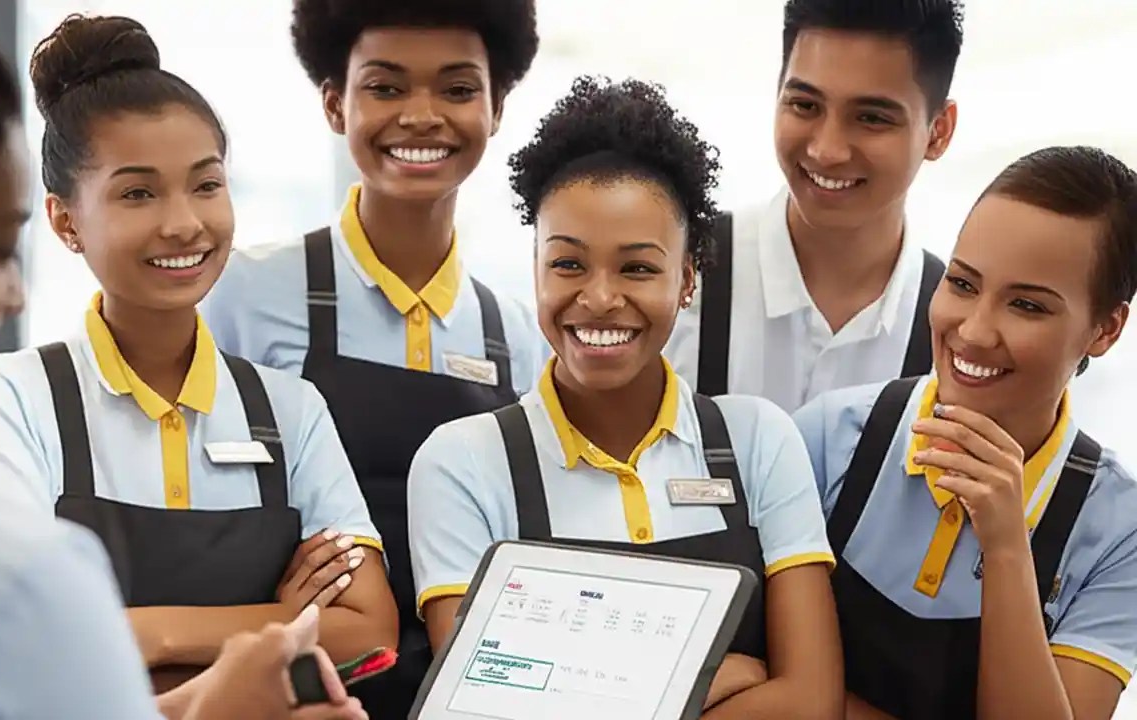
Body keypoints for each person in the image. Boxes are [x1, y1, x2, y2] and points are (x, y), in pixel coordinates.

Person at [0, 1, 364, 719]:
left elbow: (363, 625)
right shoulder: (16, 422)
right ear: (66, 221)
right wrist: (256, 635)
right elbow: (31, 668)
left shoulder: (291, 409)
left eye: (207, 183)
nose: (11, 294)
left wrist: (138, 637)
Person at [408, 77, 844, 718]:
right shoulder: (463, 464)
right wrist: (724, 676)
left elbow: (812, 704)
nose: (600, 297)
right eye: (568, 264)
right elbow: (485, 707)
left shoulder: (757, 442)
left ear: (688, 278)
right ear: (534, 268)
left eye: (638, 267)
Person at [199, 2, 543, 715]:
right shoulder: (245, 294)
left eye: (456, 89)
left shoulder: (516, 335)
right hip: (302, 686)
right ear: (334, 103)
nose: (421, 116)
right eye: (386, 88)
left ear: (498, 105)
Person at [793, 146, 1137, 719]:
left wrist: (1006, 547)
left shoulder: (1119, 532)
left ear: (1105, 329)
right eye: (962, 283)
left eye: (1026, 305)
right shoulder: (829, 441)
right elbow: (734, 678)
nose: (973, 332)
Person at [665, 0, 964, 412]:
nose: (827, 151)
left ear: (939, 132)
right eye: (806, 105)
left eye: (872, 118)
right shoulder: (674, 277)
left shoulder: (962, 339)